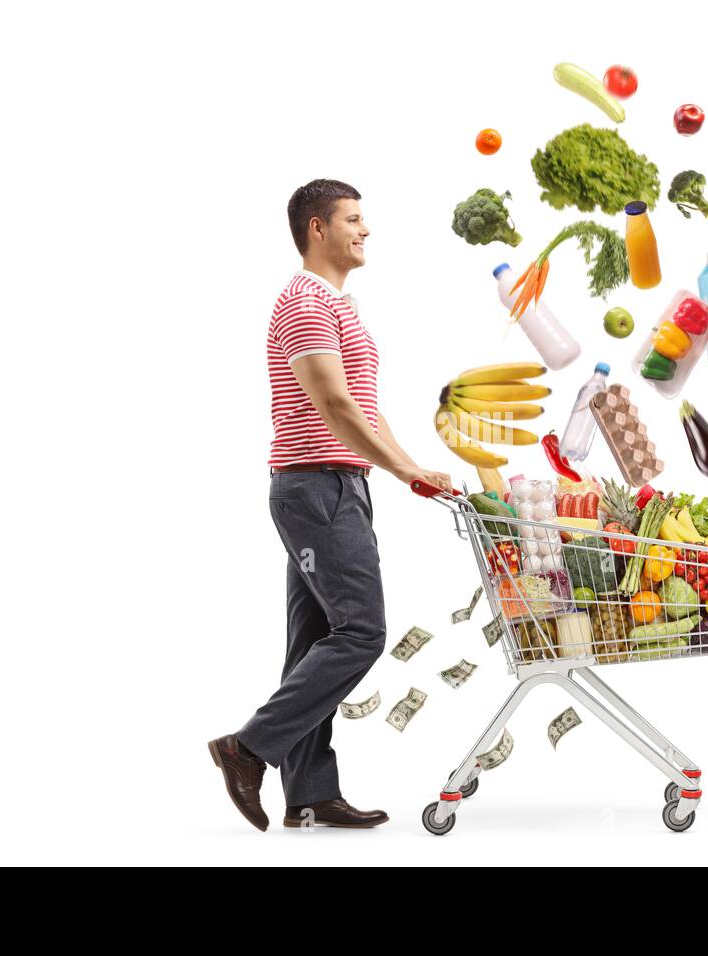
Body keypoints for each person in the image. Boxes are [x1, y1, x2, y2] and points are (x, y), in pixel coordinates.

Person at [207, 179, 451, 831]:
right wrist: (402, 473)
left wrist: (413, 468)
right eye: (352, 219)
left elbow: (365, 408)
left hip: (338, 484)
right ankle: (247, 747)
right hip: (317, 487)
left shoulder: (341, 306)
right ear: (318, 229)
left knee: (314, 640)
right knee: (362, 631)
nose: (364, 230)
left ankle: (310, 793)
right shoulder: (306, 304)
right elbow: (334, 407)